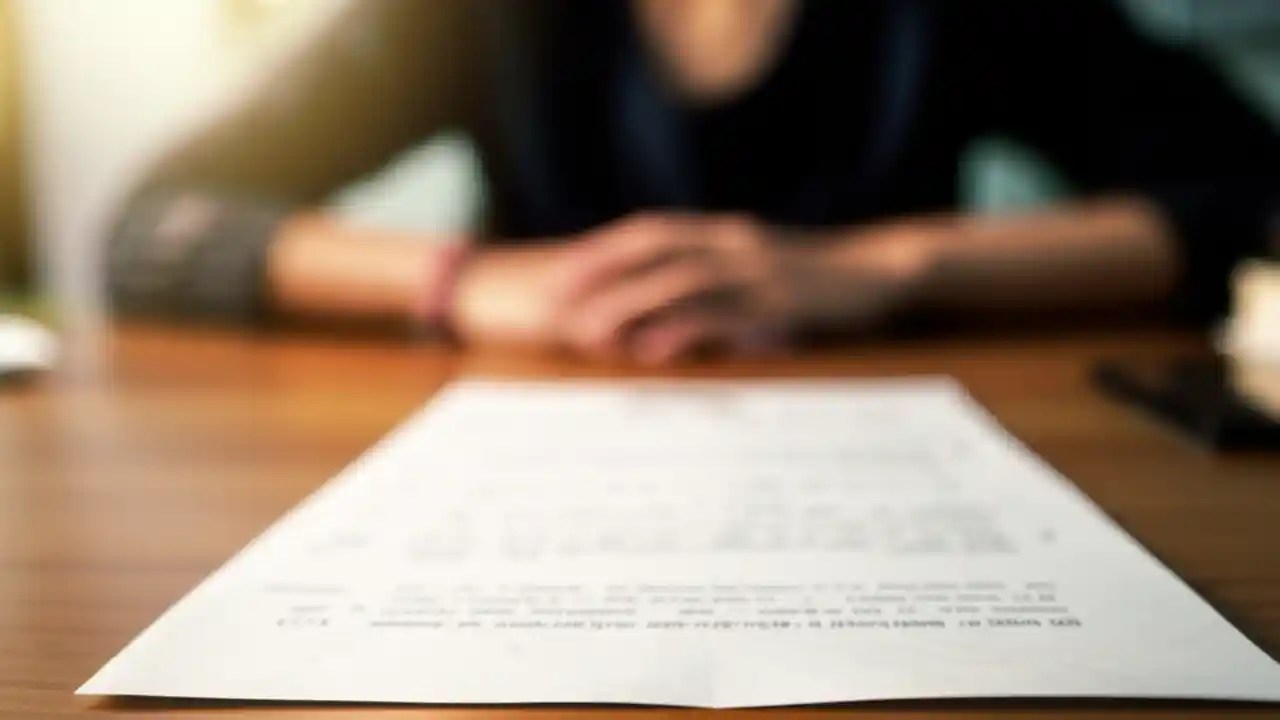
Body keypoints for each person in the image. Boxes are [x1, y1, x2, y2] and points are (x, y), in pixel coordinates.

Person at [108, 0, 1278, 364]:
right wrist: (459, 280)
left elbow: (1249, 192)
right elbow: (154, 221)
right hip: (531, 470)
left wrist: (887, 268)